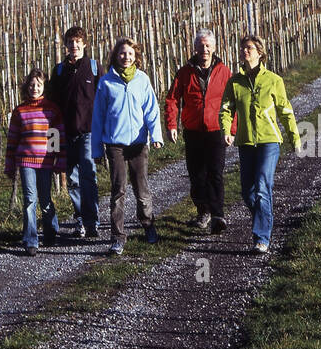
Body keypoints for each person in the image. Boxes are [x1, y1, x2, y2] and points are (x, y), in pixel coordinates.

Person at [219, 35, 301, 254]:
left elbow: (285, 111)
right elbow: (226, 109)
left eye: (249, 48)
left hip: (269, 141)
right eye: (242, 48)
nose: (244, 51)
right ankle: (265, 218)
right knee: (248, 192)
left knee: (263, 187)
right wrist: (226, 130)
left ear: (260, 52)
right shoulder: (235, 82)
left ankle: (261, 238)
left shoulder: (274, 80)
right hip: (246, 142)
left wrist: (294, 137)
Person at [91, 37, 163, 255]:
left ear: (136, 56)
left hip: (138, 144)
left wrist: (156, 135)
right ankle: (117, 236)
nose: (126, 57)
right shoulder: (106, 82)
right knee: (118, 190)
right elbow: (98, 117)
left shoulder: (142, 80)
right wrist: (96, 149)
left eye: (130, 53)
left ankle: (148, 224)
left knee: (142, 188)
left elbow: (151, 109)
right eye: (122, 53)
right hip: (115, 145)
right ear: (116, 55)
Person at [165, 28, 234, 234]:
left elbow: (233, 102)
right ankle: (203, 211)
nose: (204, 49)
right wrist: (171, 125)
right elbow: (172, 99)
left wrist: (231, 129)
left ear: (214, 48)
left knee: (216, 173)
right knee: (197, 175)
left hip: (216, 130)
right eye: (201, 45)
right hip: (193, 131)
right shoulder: (185, 72)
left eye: (208, 45)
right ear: (194, 48)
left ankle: (218, 215)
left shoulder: (224, 72)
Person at [4, 68, 65, 255]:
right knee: (30, 200)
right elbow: (13, 139)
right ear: (26, 87)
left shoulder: (51, 110)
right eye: (31, 85)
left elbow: (56, 136)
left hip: (45, 161)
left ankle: (50, 230)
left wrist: (59, 160)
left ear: (44, 86)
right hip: (26, 161)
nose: (35, 88)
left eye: (39, 85)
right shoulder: (20, 111)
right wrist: (9, 164)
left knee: (45, 198)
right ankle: (31, 240)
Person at [47, 25, 100, 239]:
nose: (74, 46)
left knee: (88, 174)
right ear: (66, 46)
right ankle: (80, 218)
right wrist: (52, 141)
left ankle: (92, 221)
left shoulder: (94, 68)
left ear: (84, 44)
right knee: (73, 180)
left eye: (78, 42)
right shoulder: (59, 71)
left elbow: (103, 98)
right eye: (70, 42)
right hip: (65, 134)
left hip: (88, 132)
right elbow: (51, 106)